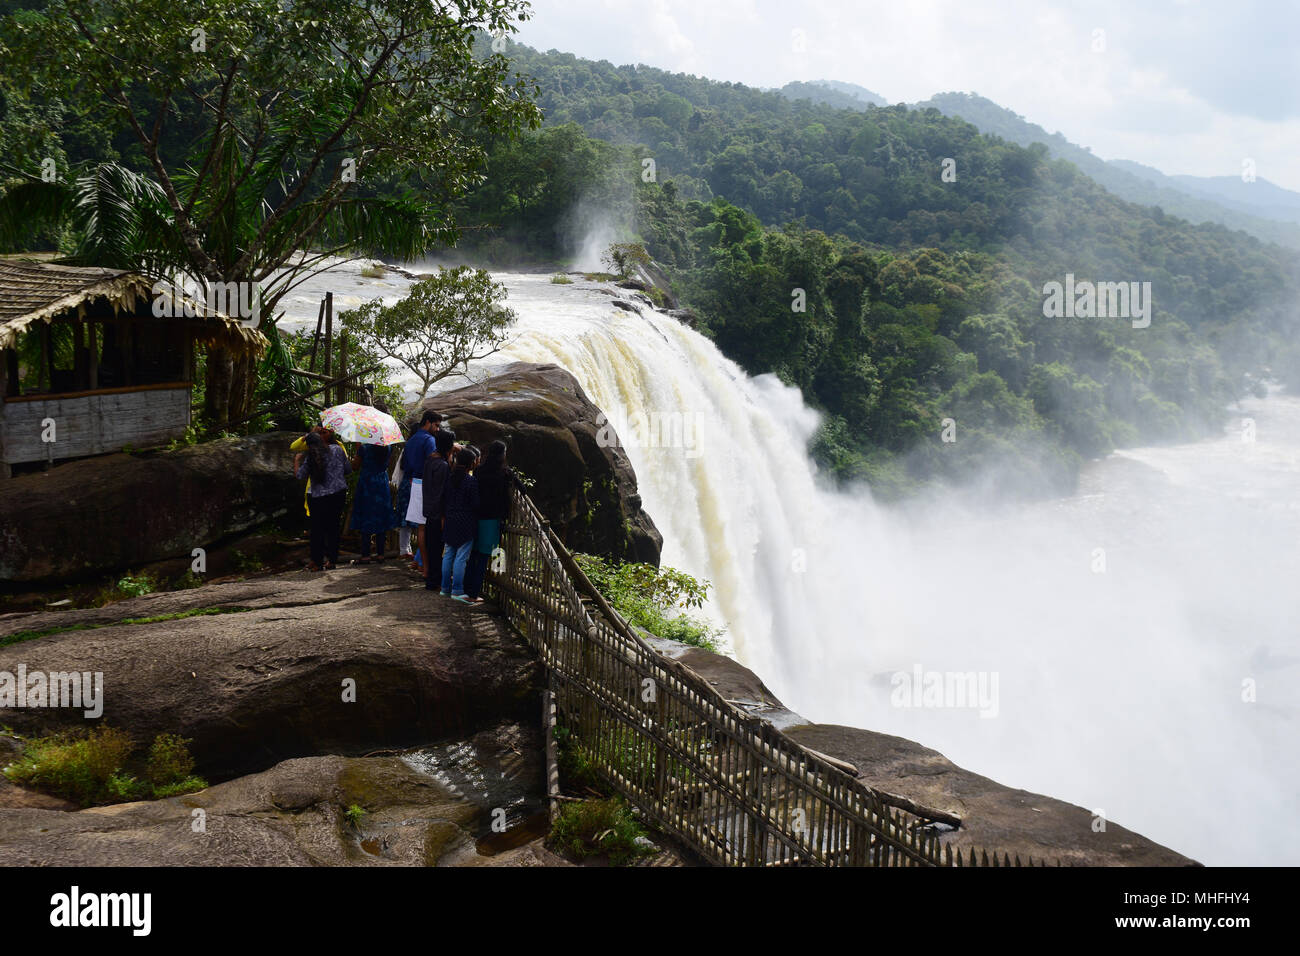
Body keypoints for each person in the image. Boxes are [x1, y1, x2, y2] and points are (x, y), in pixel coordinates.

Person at [349, 402, 398, 563]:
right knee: (380, 516)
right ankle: (381, 553)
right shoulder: (388, 447)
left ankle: (365, 555)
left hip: (367, 482)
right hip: (381, 481)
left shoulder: (364, 448)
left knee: (366, 515)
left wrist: (357, 450)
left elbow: (355, 466)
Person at [296, 431, 351, 570]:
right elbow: (348, 469)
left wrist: (297, 460)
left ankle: (317, 562)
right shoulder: (337, 449)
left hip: (318, 497)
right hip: (338, 494)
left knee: (317, 530)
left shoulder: (310, 457)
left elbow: (300, 475)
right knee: (333, 527)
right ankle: (332, 561)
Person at [464, 440, 510, 602]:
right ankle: (473, 594)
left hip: (475, 516)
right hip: (491, 519)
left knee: (473, 554)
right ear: (502, 454)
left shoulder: (479, 471)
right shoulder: (503, 473)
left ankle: (465, 589)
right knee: (483, 557)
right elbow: (513, 493)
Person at [398, 410, 441, 572]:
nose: (437, 429)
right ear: (428, 422)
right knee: (425, 527)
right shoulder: (429, 440)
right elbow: (433, 462)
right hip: (424, 484)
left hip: (411, 481)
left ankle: (418, 560)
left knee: (417, 525)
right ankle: (424, 565)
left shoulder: (411, 440)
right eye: (436, 425)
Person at [438, 446, 480, 602]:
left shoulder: (449, 478)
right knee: (461, 557)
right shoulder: (471, 481)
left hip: (450, 519)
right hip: (466, 522)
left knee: (448, 554)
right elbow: (475, 504)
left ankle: (444, 588)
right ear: (470, 464)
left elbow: (443, 500)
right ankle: (457, 590)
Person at [420, 429, 455, 590]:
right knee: (437, 550)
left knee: (432, 547)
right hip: (437, 513)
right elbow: (443, 493)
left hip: (428, 510)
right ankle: (435, 581)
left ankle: (432, 580)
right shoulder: (442, 466)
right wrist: (443, 516)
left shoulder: (429, 461)